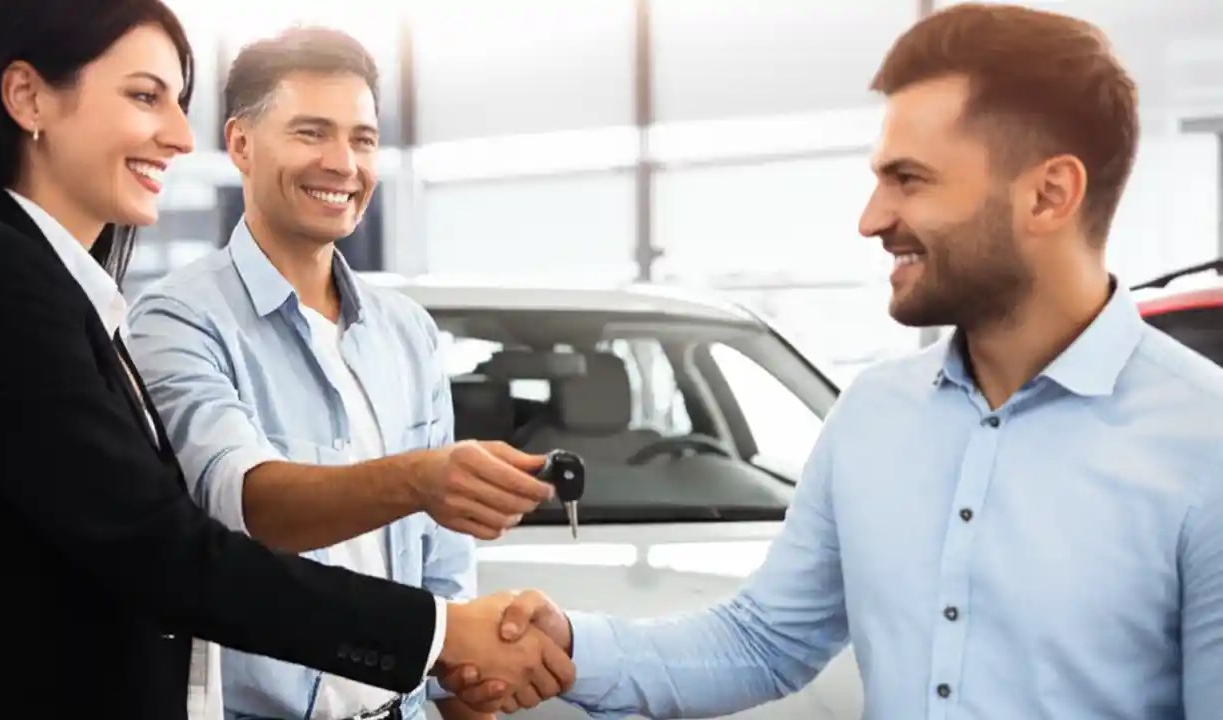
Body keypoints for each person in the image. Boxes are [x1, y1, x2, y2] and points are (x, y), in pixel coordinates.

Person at [446, 4, 1223, 718]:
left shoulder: (1205, 443)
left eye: (908, 179)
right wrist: (570, 644)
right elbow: (762, 641)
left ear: (1049, 195)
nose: (872, 219)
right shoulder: (875, 414)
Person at [0, 1, 571, 718]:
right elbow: (172, 552)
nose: (181, 136)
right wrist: (437, 628)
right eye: (146, 96)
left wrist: (455, 662)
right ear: (27, 96)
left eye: (178, 103)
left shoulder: (69, 295)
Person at [125, 27, 546, 720]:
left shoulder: (405, 331)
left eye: (363, 139)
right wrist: (420, 478)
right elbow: (243, 508)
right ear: (240, 145)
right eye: (311, 132)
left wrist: (469, 682)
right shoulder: (175, 321)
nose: (342, 163)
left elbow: (442, 564)